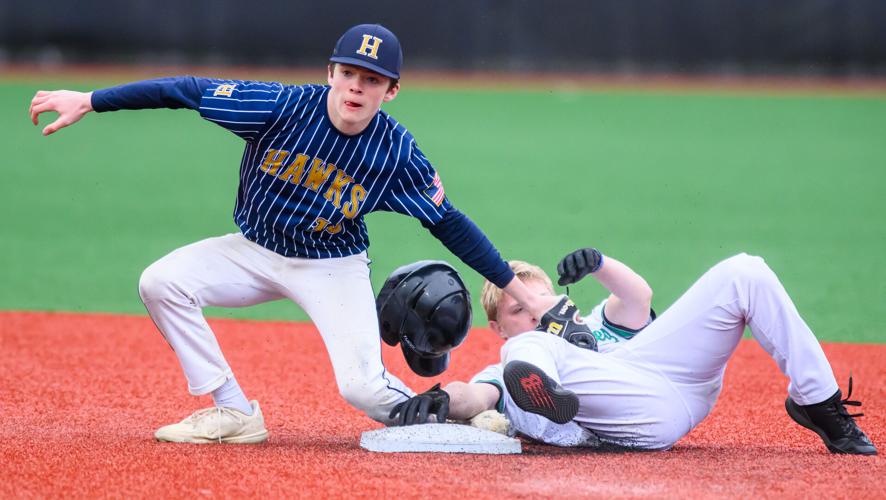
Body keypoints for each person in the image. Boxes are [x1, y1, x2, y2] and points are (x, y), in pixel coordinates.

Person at [28, 23, 563, 444]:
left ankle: (469, 413)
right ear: (330, 72)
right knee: (161, 282)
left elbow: (450, 224)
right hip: (252, 250)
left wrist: (520, 294)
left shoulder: (396, 152)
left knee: (364, 391)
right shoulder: (279, 107)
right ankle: (234, 411)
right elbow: (186, 90)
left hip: (332, 266)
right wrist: (91, 100)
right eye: (349, 73)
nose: (356, 87)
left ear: (391, 90)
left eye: (372, 80)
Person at [390, 248, 877, 455]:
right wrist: (443, 400)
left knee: (745, 271)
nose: (535, 312)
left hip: (674, 375)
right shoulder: (513, 357)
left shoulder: (594, 323)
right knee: (530, 349)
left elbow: (639, 297)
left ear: (557, 297)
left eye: (539, 300)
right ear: (496, 327)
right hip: (635, 414)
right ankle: (549, 398)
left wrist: (600, 264)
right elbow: (477, 395)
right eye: (519, 308)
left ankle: (818, 401)